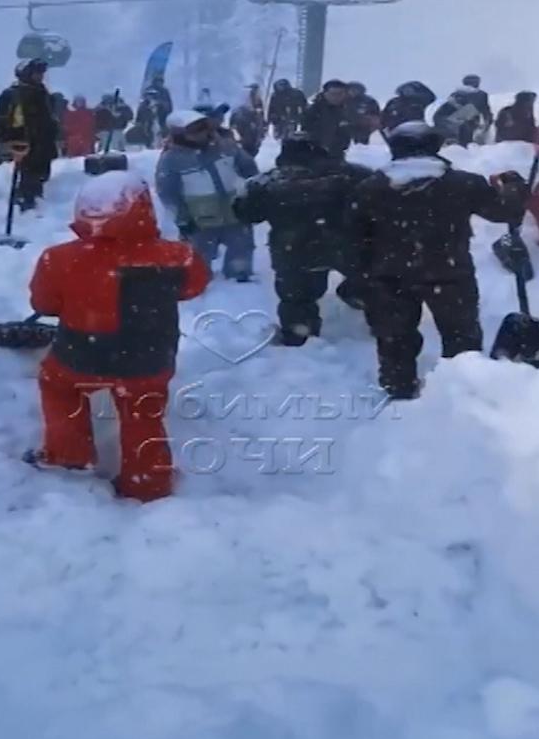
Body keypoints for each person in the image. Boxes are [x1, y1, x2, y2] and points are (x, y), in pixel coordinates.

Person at [27, 172, 210, 502]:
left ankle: (69, 455)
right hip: (149, 358)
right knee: (143, 412)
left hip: (79, 356)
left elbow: (44, 304)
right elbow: (193, 286)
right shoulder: (178, 256)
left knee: (59, 387)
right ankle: (148, 481)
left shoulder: (58, 258)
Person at [351, 121, 529, 399]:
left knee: (395, 340)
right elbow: (506, 212)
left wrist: (363, 274)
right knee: (461, 338)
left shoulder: (370, 187)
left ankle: (398, 392)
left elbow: (357, 237)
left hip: (390, 276)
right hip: (449, 274)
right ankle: (462, 395)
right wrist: (514, 187)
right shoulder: (463, 183)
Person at [233, 135, 374, 345]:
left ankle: (299, 334)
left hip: (294, 251)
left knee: (297, 297)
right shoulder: (352, 173)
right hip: (346, 245)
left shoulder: (266, 182)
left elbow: (245, 213)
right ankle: (373, 313)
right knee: (369, 278)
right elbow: (378, 198)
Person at [155, 109, 259, 282]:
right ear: (180, 134)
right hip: (200, 220)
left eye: (204, 128)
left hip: (234, 213)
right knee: (198, 267)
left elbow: (249, 169)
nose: (202, 134)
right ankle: (199, 284)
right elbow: (167, 193)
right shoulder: (171, 160)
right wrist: (182, 219)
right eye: (195, 130)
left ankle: (240, 280)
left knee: (241, 255)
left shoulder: (226, 146)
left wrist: (252, 194)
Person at [0, 60, 61, 208]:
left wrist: (55, 133)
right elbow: (1, 120)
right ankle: (25, 202)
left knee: (42, 174)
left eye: (41, 73)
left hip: (43, 142)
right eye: (36, 73)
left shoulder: (43, 93)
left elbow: (50, 117)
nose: (40, 77)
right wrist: (7, 139)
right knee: (28, 174)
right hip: (23, 142)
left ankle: (35, 199)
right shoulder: (13, 94)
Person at [302, 79, 360, 157]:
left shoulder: (349, 109)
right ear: (325, 94)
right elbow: (306, 128)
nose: (336, 97)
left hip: (338, 151)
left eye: (340, 94)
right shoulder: (314, 109)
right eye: (333, 94)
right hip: (315, 151)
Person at [229, 90, 268, 157]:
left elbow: (261, 121)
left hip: (253, 140)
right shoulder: (239, 112)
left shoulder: (256, 108)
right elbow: (233, 127)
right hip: (245, 140)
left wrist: (262, 132)